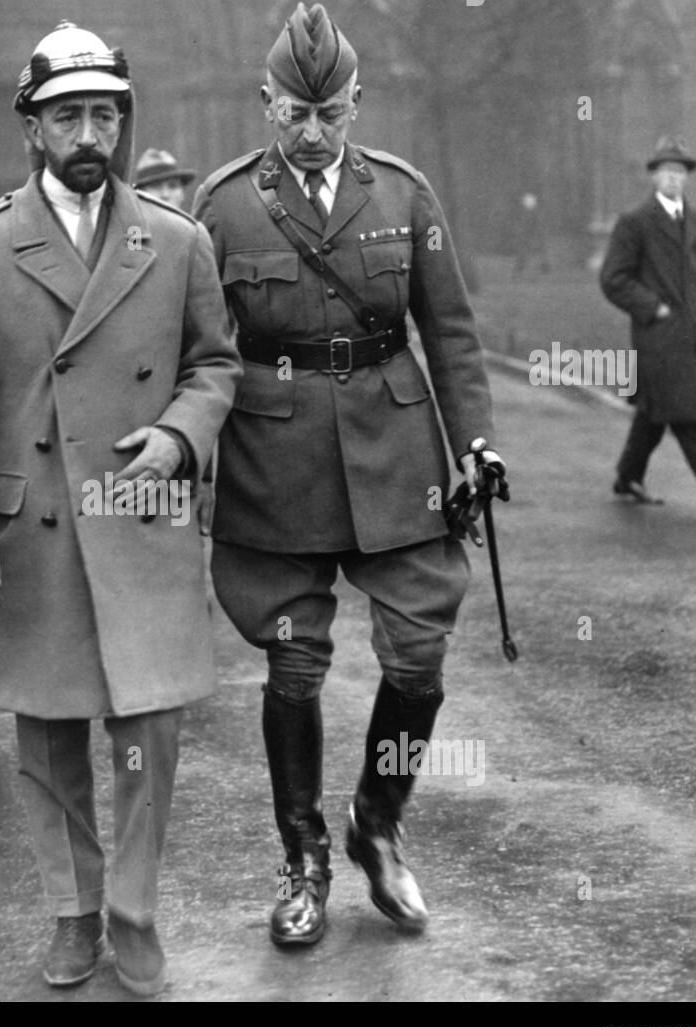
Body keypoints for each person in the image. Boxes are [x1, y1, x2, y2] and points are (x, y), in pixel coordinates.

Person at [0, 20, 240, 993]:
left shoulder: (176, 242)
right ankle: (73, 910)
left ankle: (134, 913)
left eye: (104, 113)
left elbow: (215, 365)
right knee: (47, 738)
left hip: (138, 510)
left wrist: (182, 434)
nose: (89, 132)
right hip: (35, 523)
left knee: (149, 733)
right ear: (31, 129)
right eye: (68, 116)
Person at [192, 2, 504, 946]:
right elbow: (200, 349)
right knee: (294, 659)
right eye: (295, 112)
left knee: (419, 652)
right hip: (272, 456)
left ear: (357, 104)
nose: (314, 131)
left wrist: (476, 443)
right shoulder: (224, 205)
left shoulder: (406, 197)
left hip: (395, 446)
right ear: (267, 103)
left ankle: (379, 819)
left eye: (331, 112)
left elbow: (448, 332)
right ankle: (303, 859)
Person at [600, 136, 696, 513]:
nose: (673, 179)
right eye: (666, 172)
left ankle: (628, 476)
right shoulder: (635, 222)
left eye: (680, 172)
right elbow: (613, 279)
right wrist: (653, 307)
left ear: (687, 178)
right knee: (686, 415)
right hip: (659, 338)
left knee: (656, 412)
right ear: (653, 177)